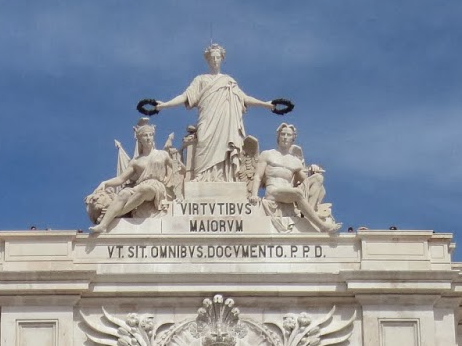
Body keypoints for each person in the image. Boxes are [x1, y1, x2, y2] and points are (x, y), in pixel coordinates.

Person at [151, 43, 280, 183]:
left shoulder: (228, 81)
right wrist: (164, 105)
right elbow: (185, 97)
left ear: (222, 59)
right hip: (207, 118)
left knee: (226, 145)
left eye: (218, 57)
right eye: (212, 57)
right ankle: (200, 176)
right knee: (203, 142)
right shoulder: (200, 79)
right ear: (207, 59)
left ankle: (226, 177)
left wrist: (266, 104)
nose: (215, 60)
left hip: (226, 120)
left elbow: (244, 98)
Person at [88, 119, 182, 234]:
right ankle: (103, 225)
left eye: (150, 135)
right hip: (140, 186)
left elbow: (176, 168)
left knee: (144, 189)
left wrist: (168, 179)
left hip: (156, 187)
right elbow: (121, 179)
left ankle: (112, 214)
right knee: (123, 193)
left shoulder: (163, 154)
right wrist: (105, 183)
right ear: (140, 140)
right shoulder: (136, 161)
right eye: (145, 136)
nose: (148, 138)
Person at [255, 122, 339, 232]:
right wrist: (253, 195)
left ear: (293, 138)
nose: (285, 137)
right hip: (273, 191)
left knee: (318, 178)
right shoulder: (267, 154)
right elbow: (257, 176)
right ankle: (322, 225)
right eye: (283, 134)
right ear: (278, 136)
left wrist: (313, 171)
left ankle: (309, 213)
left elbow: (306, 182)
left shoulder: (296, 161)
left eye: (288, 135)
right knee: (297, 193)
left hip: (289, 193)